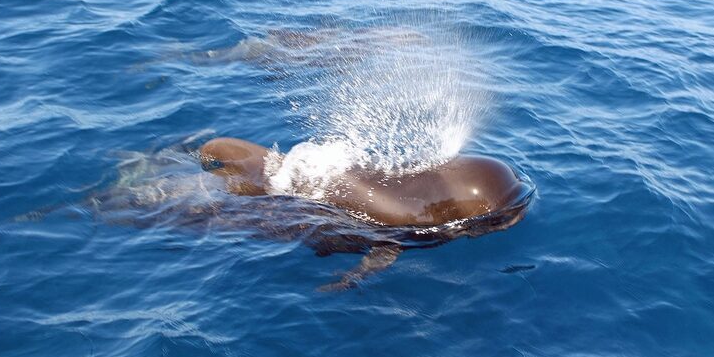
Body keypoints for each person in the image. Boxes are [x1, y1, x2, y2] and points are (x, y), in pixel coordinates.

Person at [199, 137, 526, 227]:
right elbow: (385, 244)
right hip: (277, 201)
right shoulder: (408, 220)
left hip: (295, 175)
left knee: (216, 152)